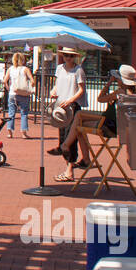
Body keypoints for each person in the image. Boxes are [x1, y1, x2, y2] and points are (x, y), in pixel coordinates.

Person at [48, 47, 88, 183]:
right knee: (62, 138)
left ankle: (69, 171)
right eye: (65, 55)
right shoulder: (59, 68)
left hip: (72, 107)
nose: (68, 58)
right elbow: (56, 85)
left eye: (70, 56)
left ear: (74, 57)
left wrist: (71, 100)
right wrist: (53, 91)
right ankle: (68, 169)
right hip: (61, 107)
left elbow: (81, 89)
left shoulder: (78, 70)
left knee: (69, 140)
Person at [5, 52, 33, 139]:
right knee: (24, 113)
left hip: (13, 93)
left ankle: (10, 132)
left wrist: (9, 88)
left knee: (11, 113)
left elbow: (5, 81)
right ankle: (23, 132)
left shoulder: (10, 69)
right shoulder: (25, 69)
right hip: (23, 93)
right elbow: (32, 81)